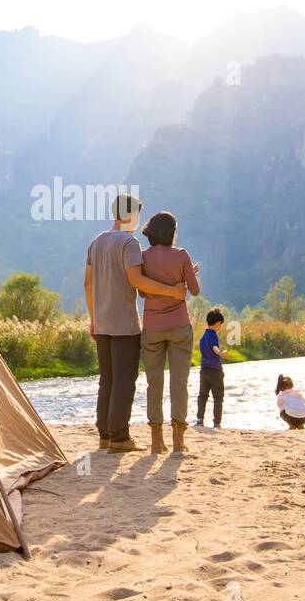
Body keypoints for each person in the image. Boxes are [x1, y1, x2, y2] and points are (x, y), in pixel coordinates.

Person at [85, 193, 188, 453]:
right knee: (124, 380)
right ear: (130, 215)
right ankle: (120, 438)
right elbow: (137, 281)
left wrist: (93, 318)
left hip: (102, 322)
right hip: (124, 324)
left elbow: (87, 282)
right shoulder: (128, 243)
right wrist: (173, 291)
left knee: (106, 379)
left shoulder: (96, 242)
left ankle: (105, 436)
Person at [138, 211, 200, 453]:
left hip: (152, 327)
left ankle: (156, 440)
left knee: (154, 383)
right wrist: (189, 274)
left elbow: (142, 292)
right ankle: (178, 440)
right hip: (179, 327)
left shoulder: (142, 257)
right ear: (173, 232)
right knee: (179, 382)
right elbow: (193, 291)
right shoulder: (182, 255)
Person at [196, 309, 228, 427]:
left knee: (202, 396)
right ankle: (217, 423)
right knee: (218, 397)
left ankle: (200, 420)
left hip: (204, 370)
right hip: (215, 371)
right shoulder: (213, 335)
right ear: (218, 323)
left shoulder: (203, 336)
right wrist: (221, 353)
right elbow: (214, 347)